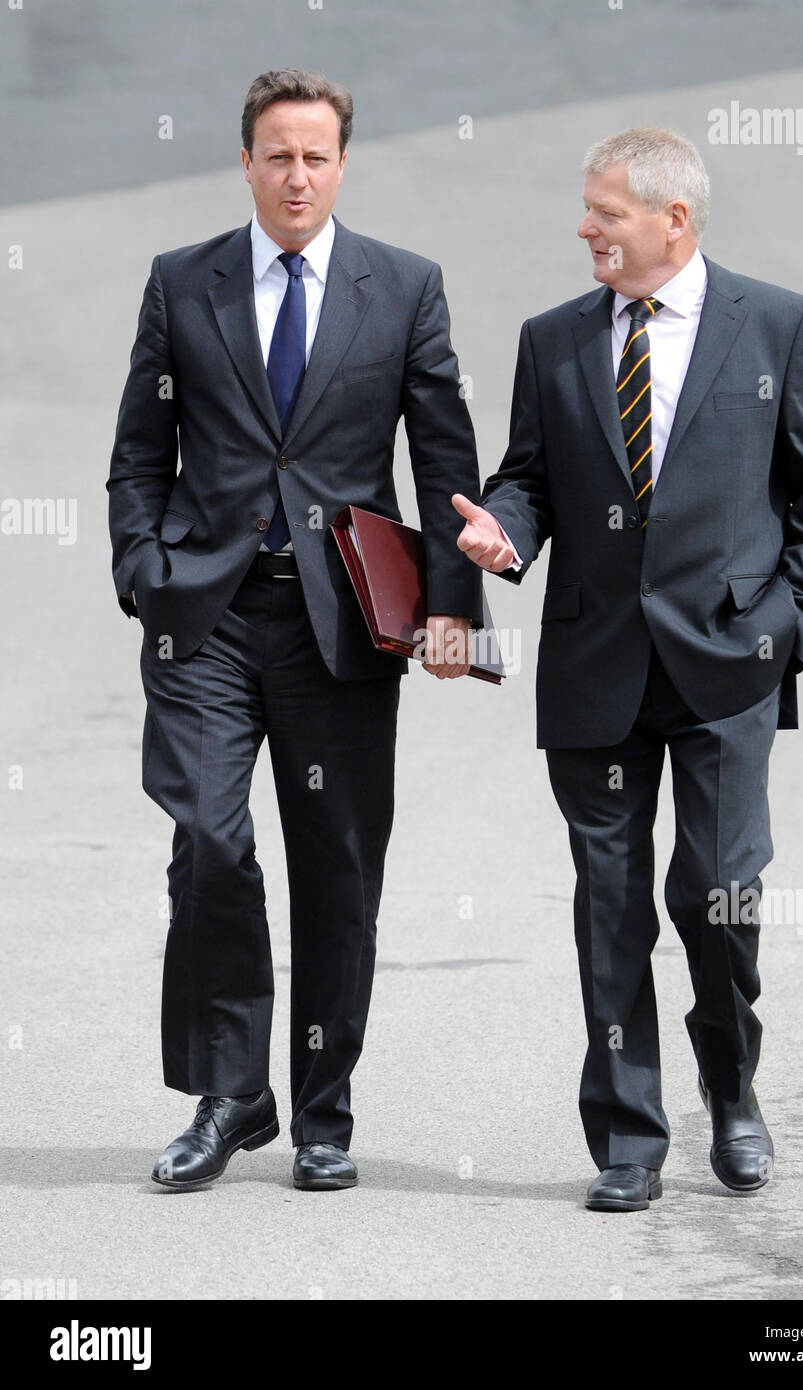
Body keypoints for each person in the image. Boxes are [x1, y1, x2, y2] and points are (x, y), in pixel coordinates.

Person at [453, 127, 803, 1211]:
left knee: (718, 895)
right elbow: (527, 476)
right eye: (586, 208)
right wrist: (503, 530)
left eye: (605, 210)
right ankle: (629, 1137)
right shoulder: (554, 340)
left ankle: (733, 1093)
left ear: (672, 219)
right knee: (610, 905)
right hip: (595, 666)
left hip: (729, 669)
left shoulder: (775, 324)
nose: (583, 226)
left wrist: (788, 635)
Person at [108, 68, 482, 1193]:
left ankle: (322, 1112)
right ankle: (230, 1093)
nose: (297, 174)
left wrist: (453, 608)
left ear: (342, 164)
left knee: (337, 872)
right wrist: (144, 571)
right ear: (246, 162)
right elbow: (139, 450)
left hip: (340, 628)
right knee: (208, 842)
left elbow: (445, 457)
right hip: (208, 620)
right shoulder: (185, 283)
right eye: (277, 153)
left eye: (316, 155)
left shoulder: (404, 287)